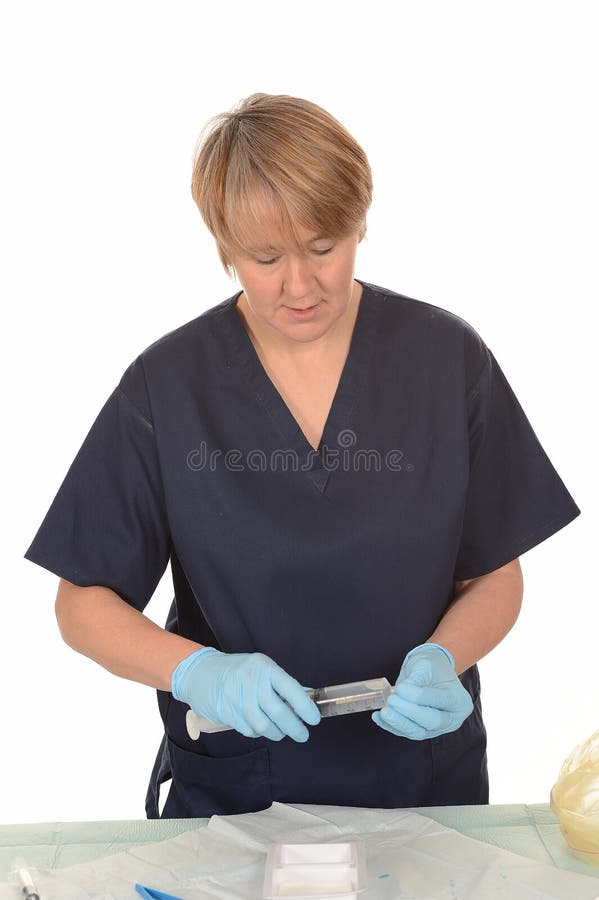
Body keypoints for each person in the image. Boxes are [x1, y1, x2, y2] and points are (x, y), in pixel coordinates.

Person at [24, 93, 580, 819]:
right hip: (240, 793)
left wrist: (445, 657)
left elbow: (495, 576)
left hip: (421, 787)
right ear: (222, 244)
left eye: (323, 247)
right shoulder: (167, 386)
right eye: (264, 258)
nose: (299, 284)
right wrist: (197, 671)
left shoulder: (445, 360)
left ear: (360, 222)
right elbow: (83, 605)